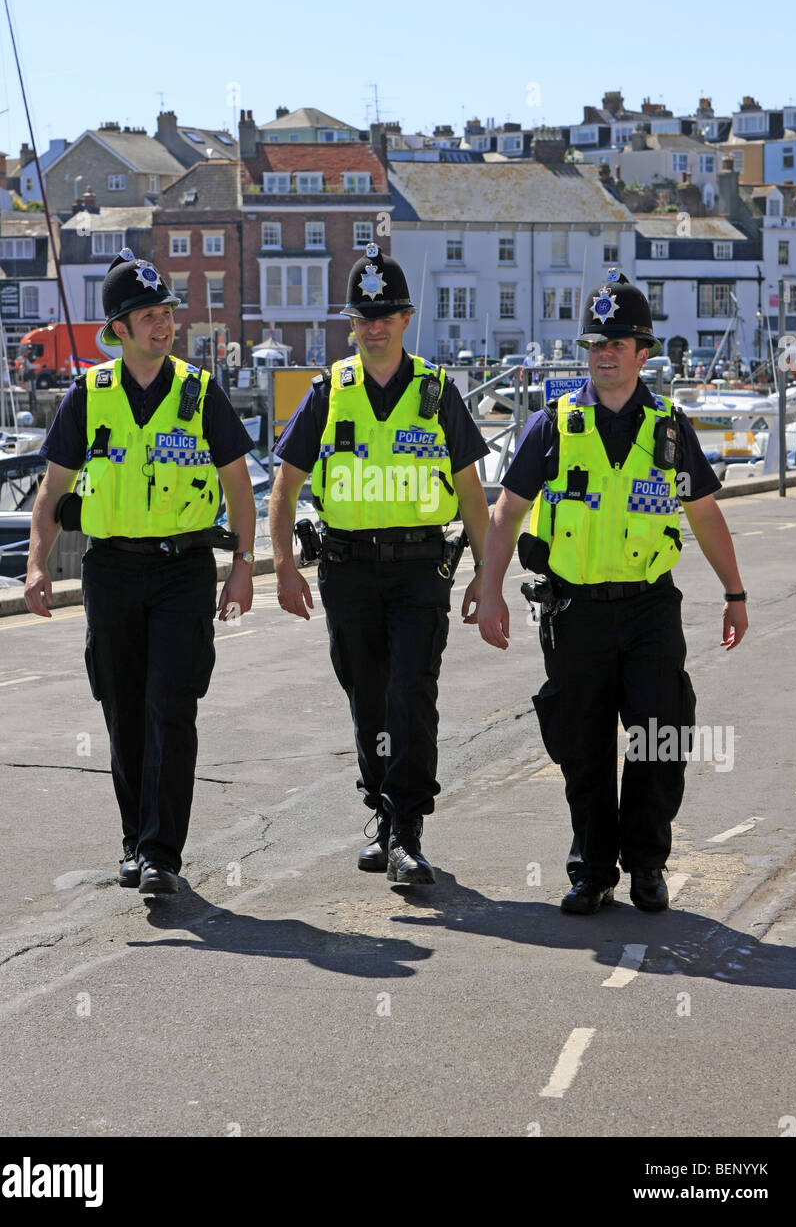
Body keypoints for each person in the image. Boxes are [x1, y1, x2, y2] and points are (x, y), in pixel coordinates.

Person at [473, 270, 748, 914]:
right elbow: (507, 511)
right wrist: (489, 592)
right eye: (596, 341)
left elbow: (705, 516)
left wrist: (734, 594)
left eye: (619, 342)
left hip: (650, 608)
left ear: (643, 352)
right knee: (584, 748)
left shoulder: (671, 431)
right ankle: (592, 870)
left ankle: (647, 863)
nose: (605, 352)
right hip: (575, 613)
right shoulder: (554, 426)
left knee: (661, 736)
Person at [24, 249, 257, 895]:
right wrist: (36, 565)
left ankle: (162, 853)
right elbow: (52, 490)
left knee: (171, 707)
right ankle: (134, 840)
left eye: (167, 313)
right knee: (124, 710)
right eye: (149, 316)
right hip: (112, 571)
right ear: (118, 330)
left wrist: (242, 567)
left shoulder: (200, 391)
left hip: (185, 568)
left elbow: (240, 487)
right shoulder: (89, 396)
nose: (164, 325)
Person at [269, 243, 490, 884]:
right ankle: (384, 813)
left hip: (421, 569)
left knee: (410, 693)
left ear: (406, 318)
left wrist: (487, 574)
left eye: (387, 314)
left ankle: (408, 828)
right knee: (367, 696)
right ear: (352, 323)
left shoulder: (435, 389)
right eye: (365, 316)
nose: (376, 326)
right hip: (347, 571)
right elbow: (285, 487)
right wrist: (283, 565)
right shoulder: (328, 392)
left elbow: (473, 495)